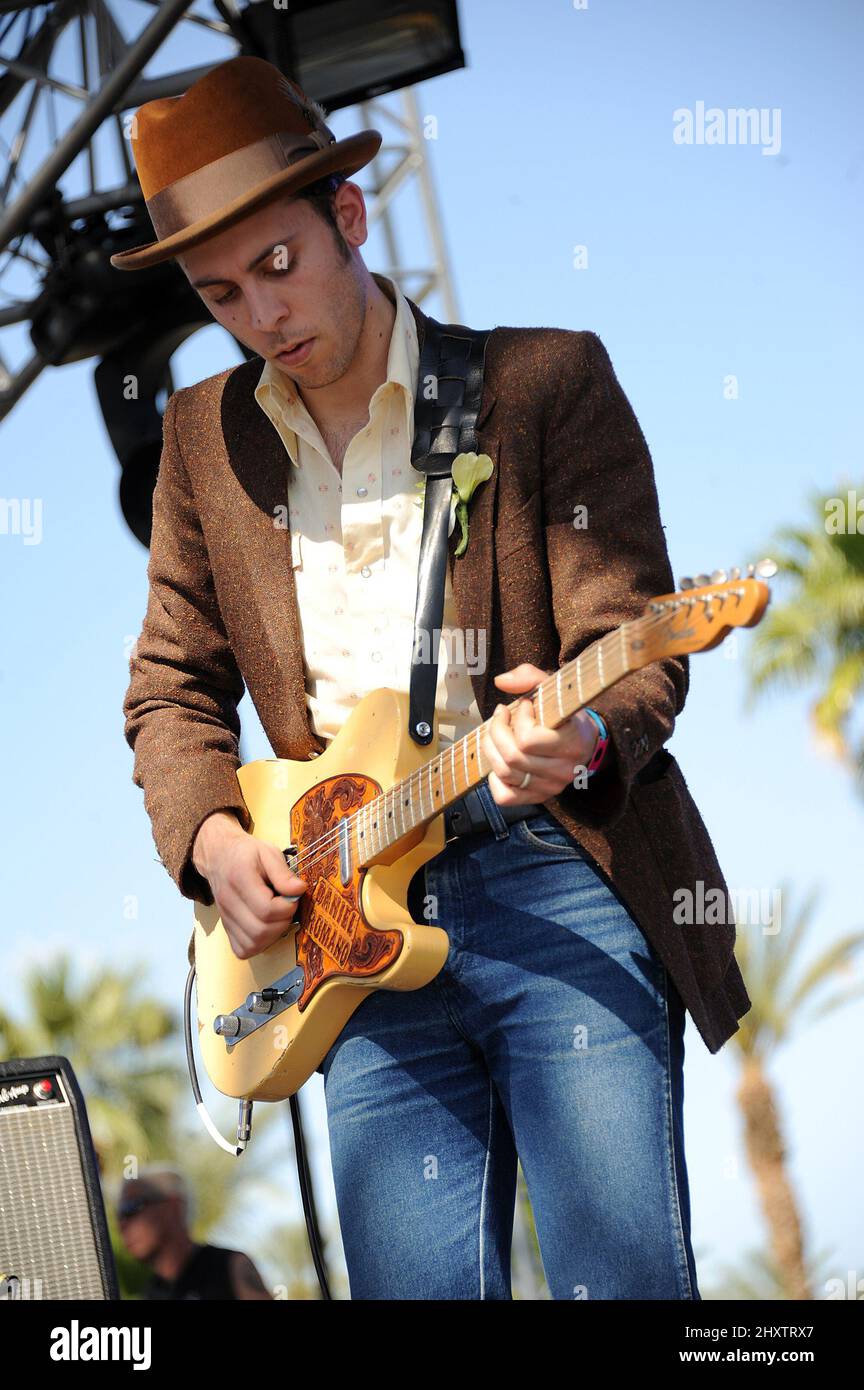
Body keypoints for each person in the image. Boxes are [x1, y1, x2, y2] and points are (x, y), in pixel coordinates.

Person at [114, 55, 751, 1300]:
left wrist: (586, 742)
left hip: (555, 874)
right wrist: (209, 841)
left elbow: (631, 643)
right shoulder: (197, 442)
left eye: (281, 264)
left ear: (349, 218)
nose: (261, 314)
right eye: (221, 293)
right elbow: (168, 691)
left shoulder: (543, 381)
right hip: (344, 942)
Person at [115, 1167, 272, 1300]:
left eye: (131, 1207)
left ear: (173, 1207)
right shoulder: (152, 1293)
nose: (121, 1224)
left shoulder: (228, 1265)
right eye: (119, 1215)